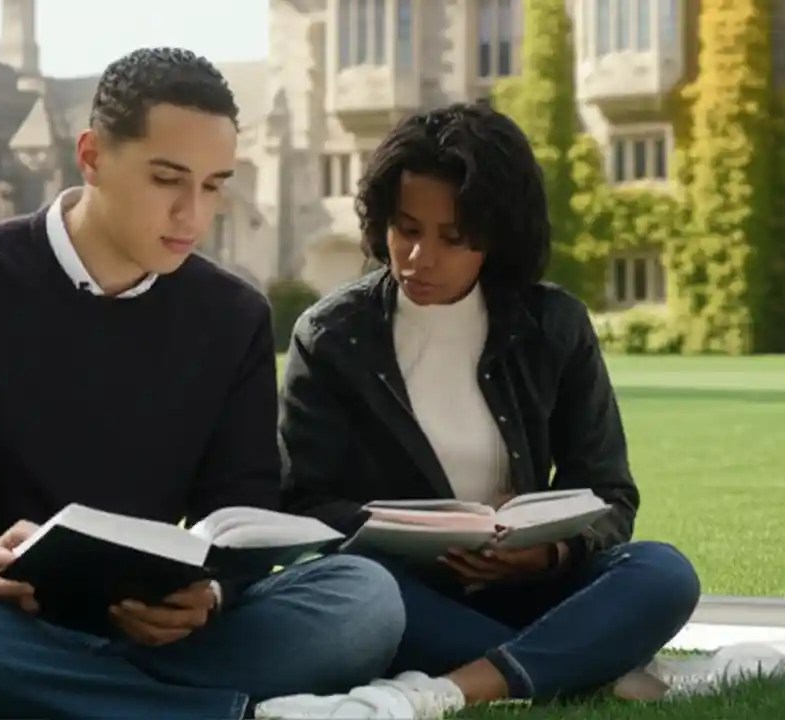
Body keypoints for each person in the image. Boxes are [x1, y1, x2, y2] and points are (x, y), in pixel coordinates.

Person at [0, 47, 404, 720]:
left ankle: (6, 698)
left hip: (149, 633)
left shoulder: (234, 316)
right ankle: (200, 712)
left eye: (213, 185)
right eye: (166, 179)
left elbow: (239, 505)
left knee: (364, 597)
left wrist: (210, 593)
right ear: (91, 156)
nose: (192, 213)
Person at [254, 102, 701, 719]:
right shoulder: (331, 337)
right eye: (406, 229)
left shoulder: (555, 326)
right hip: (404, 597)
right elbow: (302, 507)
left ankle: (454, 687)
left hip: (535, 589)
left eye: (452, 239)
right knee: (359, 602)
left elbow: (608, 492)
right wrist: (419, 541)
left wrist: (550, 555)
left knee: (664, 573)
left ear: (496, 237)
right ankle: (585, 669)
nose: (418, 258)